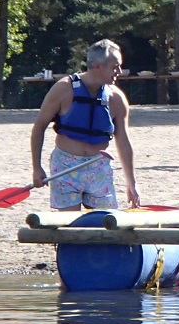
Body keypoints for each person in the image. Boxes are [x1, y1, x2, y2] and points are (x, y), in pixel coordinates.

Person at [30, 39, 140, 209]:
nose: (119, 71)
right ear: (98, 66)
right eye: (115, 66)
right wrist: (37, 168)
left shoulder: (116, 98)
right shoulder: (63, 89)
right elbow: (39, 127)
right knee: (71, 227)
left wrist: (131, 183)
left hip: (99, 168)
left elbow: (123, 141)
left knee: (104, 226)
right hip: (65, 166)